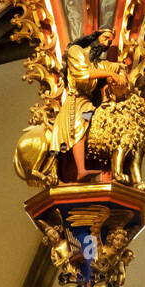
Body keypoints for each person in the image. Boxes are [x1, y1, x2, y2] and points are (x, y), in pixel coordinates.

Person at [51, 28, 125, 181]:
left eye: (109, 42)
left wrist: (121, 73)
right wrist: (111, 74)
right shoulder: (76, 50)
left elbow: (115, 67)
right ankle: (81, 170)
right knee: (81, 123)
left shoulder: (97, 63)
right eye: (105, 38)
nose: (106, 43)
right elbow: (83, 73)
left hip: (87, 100)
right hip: (76, 100)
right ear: (95, 37)